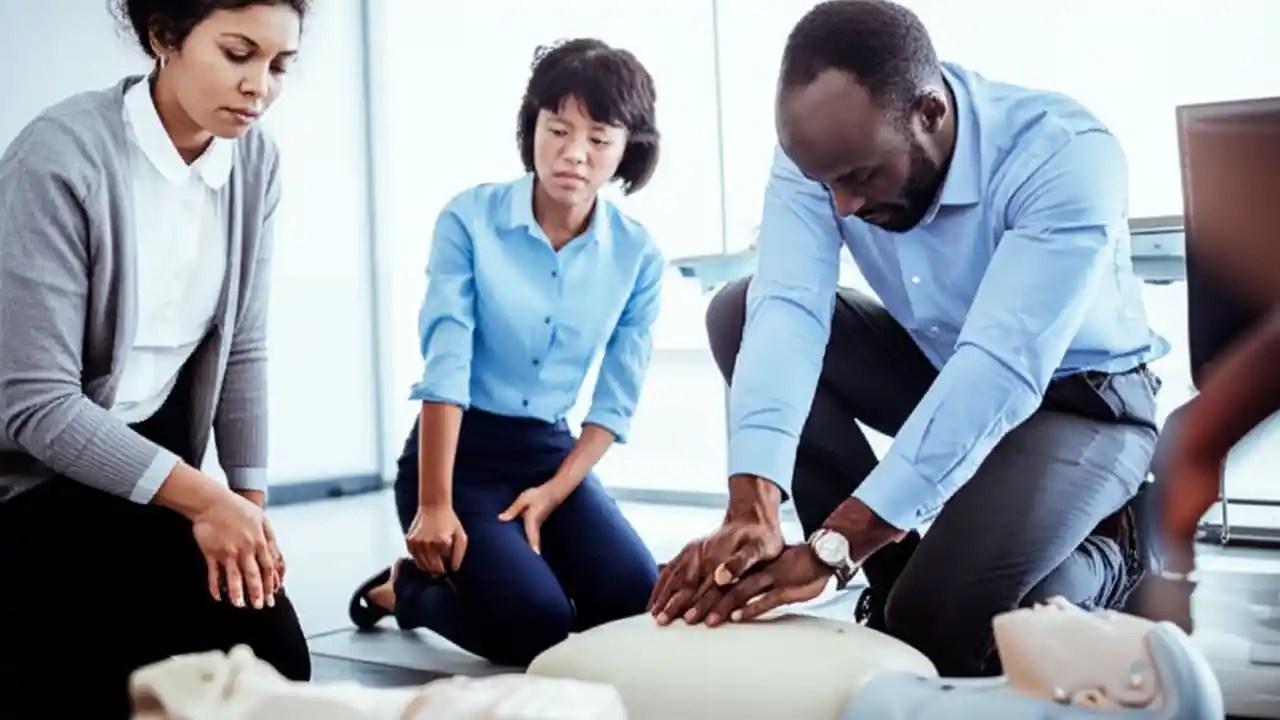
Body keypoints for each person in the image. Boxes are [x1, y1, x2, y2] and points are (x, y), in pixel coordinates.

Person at [649, 0, 1169, 678]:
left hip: (1082, 404)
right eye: (825, 183)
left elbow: (998, 372)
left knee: (940, 630)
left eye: (861, 177)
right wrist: (753, 502)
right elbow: (786, 314)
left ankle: (1119, 548)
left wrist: (836, 546)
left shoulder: (1063, 156)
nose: (842, 206)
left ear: (930, 113)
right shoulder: (823, 159)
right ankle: (890, 572)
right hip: (939, 370)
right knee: (739, 311)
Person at [0, 1, 311, 716]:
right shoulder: (58, 156)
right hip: (34, 478)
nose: (259, 85)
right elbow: (39, 406)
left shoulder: (255, 160)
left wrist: (247, 516)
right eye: (238, 54)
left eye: (279, 64)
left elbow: (245, 347)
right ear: (163, 36)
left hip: (153, 458)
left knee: (274, 671)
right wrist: (207, 500)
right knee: (97, 677)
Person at [348, 38, 664, 667]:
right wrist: (434, 505)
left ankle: (516, 572)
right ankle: (407, 590)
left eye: (599, 138)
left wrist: (553, 493)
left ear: (628, 149)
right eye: (558, 128)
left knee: (634, 598)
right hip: (457, 456)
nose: (574, 153)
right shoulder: (469, 219)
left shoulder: (638, 255)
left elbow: (614, 402)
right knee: (534, 627)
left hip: (548, 452)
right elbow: (447, 370)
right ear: (533, 126)